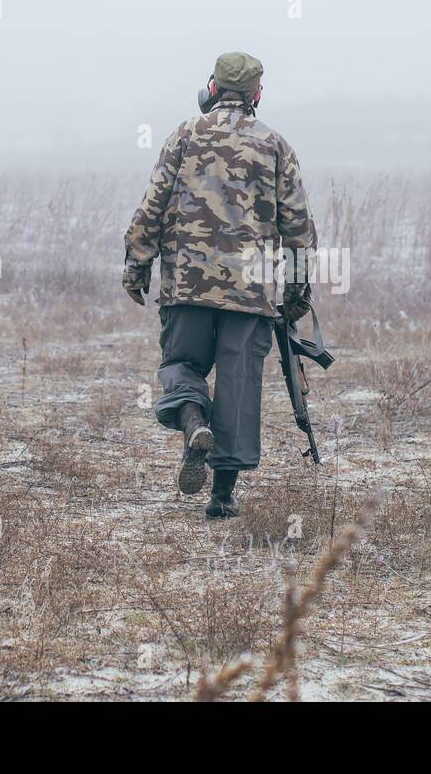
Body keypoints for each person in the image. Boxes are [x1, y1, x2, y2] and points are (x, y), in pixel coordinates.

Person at [122, 52, 317, 518]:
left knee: (182, 364)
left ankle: (193, 426)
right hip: (251, 295)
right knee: (239, 385)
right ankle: (222, 497)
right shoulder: (275, 146)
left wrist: (137, 266)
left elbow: (151, 206)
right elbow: (298, 228)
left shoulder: (184, 135)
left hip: (186, 286)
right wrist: (296, 292)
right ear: (257, 94)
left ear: (212, 87)